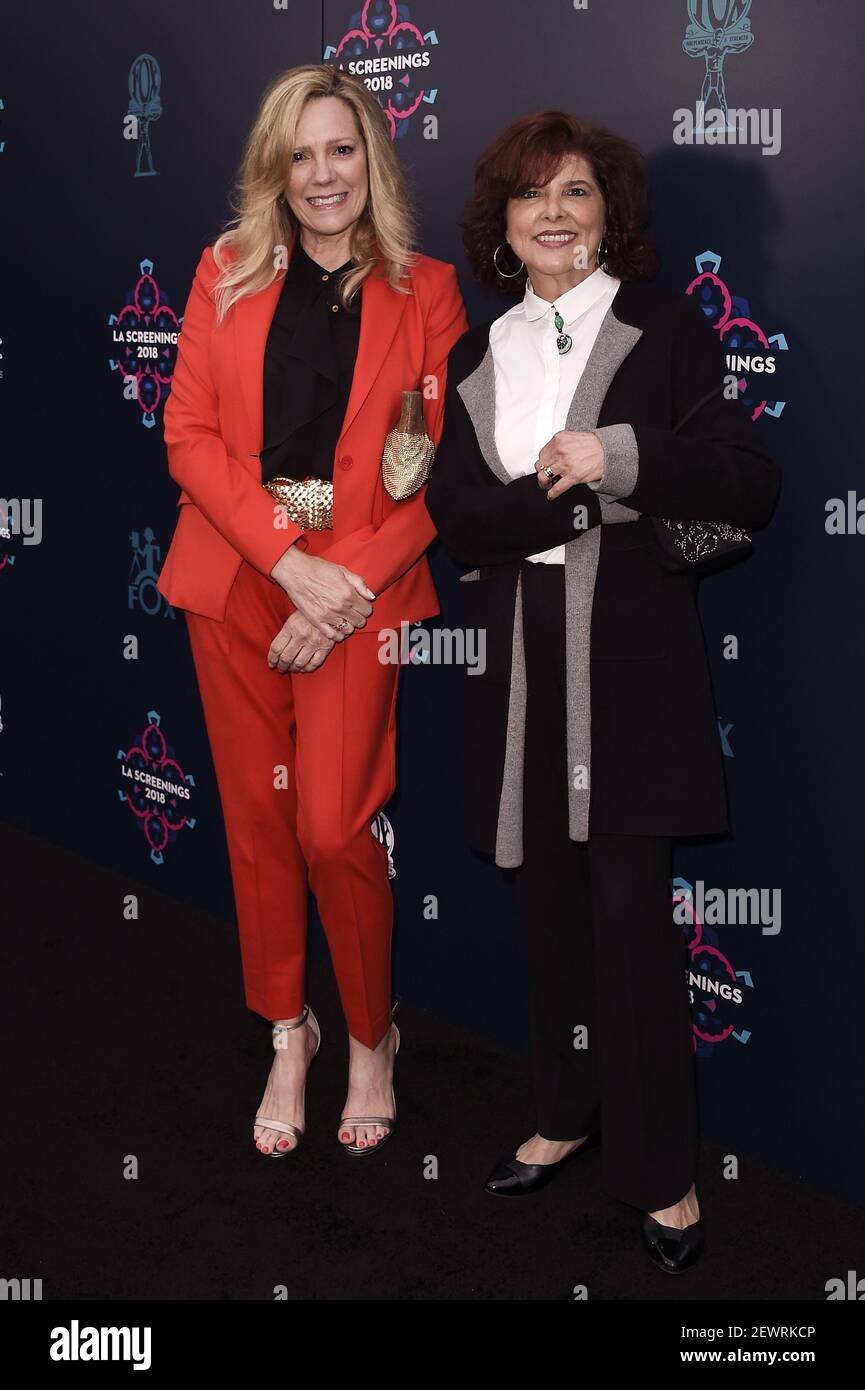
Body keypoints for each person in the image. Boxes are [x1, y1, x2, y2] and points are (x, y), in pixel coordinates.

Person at [424, 110, 779, 1272]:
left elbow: (745, 481)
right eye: (531, 195)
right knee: (550, 920)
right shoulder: (475, 357)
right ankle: (563, 1114)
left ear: (607, 212)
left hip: (627, 663)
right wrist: (576, 501)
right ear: (504, 223)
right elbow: (460, 519)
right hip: (520, 669)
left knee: (631, 930)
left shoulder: (665, 327)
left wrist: (612, 453)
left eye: (576, 191)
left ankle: (663, 1174)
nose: (555, 213)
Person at [156, 64, 467, 1160]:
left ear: (372, 158)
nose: (322, 174)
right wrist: (290, 566)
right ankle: (290, 1031)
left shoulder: (426, 289)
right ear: (272, 169)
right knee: (256, 824)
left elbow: (436, 476)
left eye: (342, 150)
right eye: (300, 154)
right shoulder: (226, 270)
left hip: (361, 586)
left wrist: (340, 591)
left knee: (334, 826)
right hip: (241, 575)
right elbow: (188, 434)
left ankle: (371, 1035)